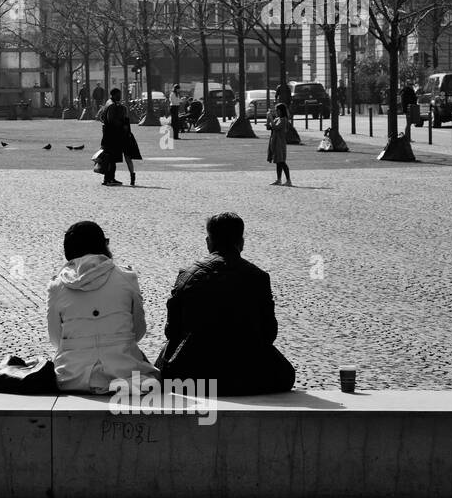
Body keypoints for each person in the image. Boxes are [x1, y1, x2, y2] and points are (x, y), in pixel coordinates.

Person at [161, 213, 295, 396]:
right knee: (285, 372)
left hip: (192, 373)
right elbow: (269, 333)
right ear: (241, 243)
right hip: (247, 375)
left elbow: (172, 331)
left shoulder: (187, 274)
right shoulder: (258, 277)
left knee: (164, 359)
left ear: (209, 241)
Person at [48, 221, 158, 394]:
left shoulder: (57, 286)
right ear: (103, 245)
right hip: (124, 372)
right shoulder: (127, 278)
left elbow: (55, 339)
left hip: (73, 377)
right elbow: (139, 331)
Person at [98, 88, 135, 187]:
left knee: (109, 157)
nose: (120, 96)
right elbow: (112, 121)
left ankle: (109, 178)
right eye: (119, 94)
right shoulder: (113, 106)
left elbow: (101, 117)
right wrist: (123, 125)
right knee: (111, 158)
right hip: (112, 136)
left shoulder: (107, 103)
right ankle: (109, 179)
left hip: (107, 135)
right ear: (114, 95)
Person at [266, 103, 293, 186]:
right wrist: (268, 118)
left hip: (279, 143)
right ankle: (279, 179)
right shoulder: (277, 119)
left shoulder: (284, 120)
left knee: (281, 161)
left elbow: (276, 128)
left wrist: (271, 119)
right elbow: (269, 127)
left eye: (277, 110)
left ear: (281, 111)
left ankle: (288, 180)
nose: (276, 112)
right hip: (274, 141)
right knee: (278, 161)